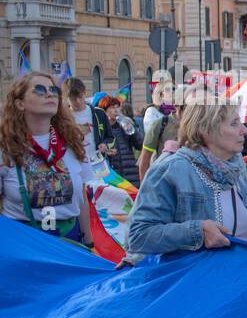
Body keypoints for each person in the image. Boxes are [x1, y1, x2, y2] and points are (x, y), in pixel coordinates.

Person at [126, 102, 247, 259]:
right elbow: (138, 236)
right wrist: (197, 231)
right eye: (234, 124)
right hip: (195, 279)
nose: (245, 131)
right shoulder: (170, 170)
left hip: (241, 276)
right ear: (206, 130)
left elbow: (235, 224)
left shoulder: (235, 167)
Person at [0, 73, 91, 244]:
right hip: (22, 244)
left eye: (54, 90)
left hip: (69, 240)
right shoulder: (5, 146)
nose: (49, 94)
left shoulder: (74, 142)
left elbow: (82, 201)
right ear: (20, 103)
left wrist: (89, 243)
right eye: (39, 90)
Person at [94, 93, 144, 187]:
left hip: (130, 174)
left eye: (117, 107)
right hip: (112, 177)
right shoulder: (101, 130)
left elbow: (139, 144)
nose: (116, 110)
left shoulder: (123, 125)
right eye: (112, 108)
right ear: (104, 111)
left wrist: (132, 128)